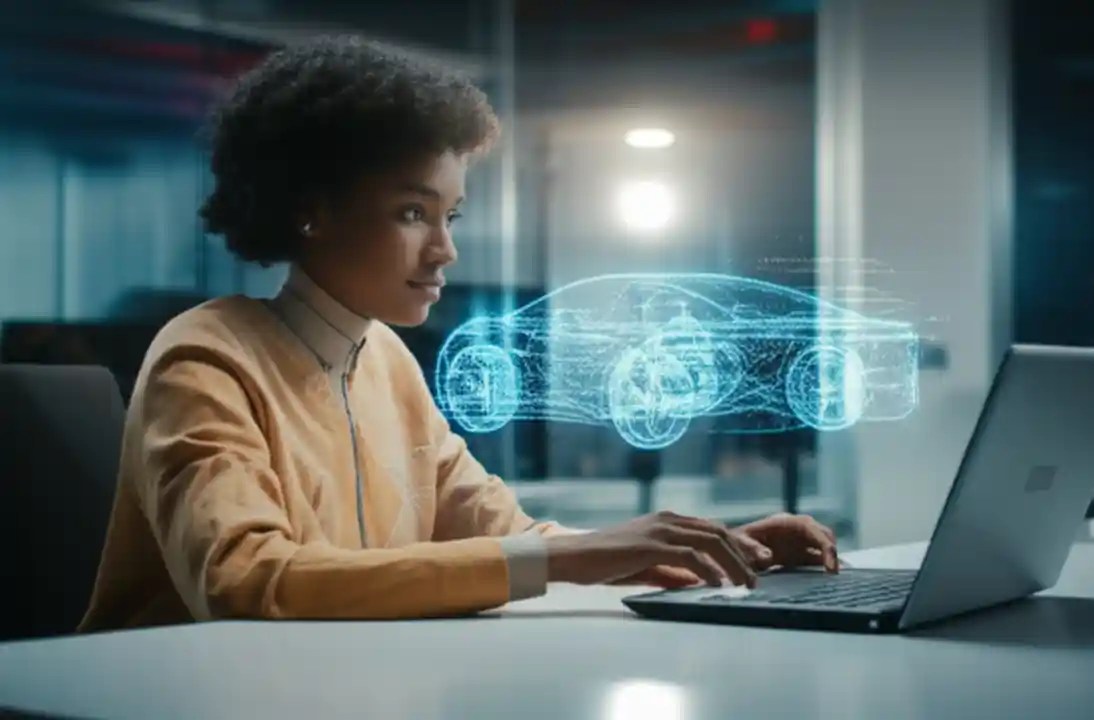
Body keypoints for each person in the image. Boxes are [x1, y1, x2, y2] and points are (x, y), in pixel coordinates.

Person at [79, 36, 838, 630]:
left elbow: (510, 536)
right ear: (313, 209)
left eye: (451, 216)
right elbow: (246, 579)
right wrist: (581, 556)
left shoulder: (386, 363)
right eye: (413, 213)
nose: (445, 250)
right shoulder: (207, 355)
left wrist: (713, 548)